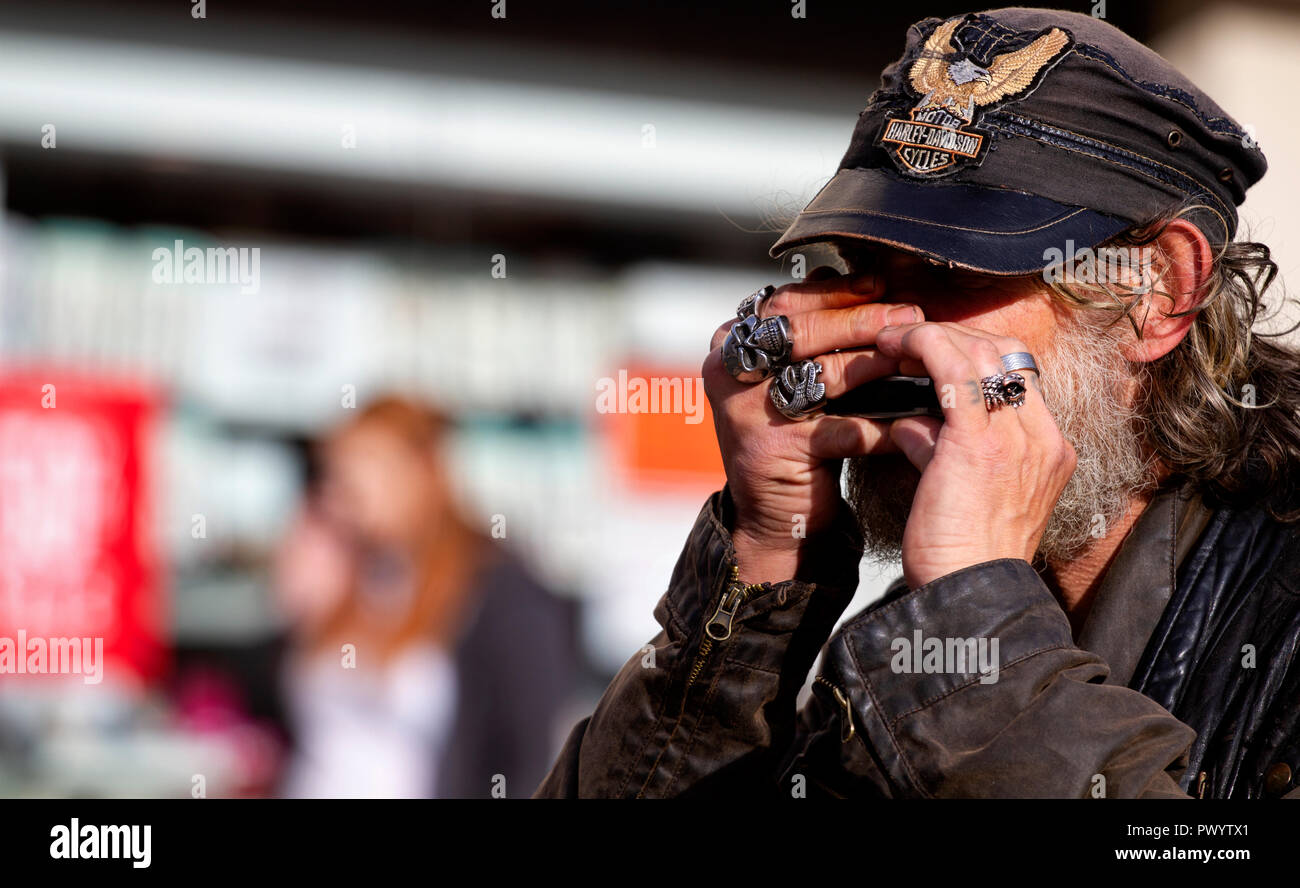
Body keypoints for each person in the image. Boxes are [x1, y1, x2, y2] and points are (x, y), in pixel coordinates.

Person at [537, 8, 1300, 798]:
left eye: (957, 272)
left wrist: (980, 631)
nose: (891, 330)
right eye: (860, 267)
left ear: (1157, 293)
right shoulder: (911, 641)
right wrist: (765, 558)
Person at [276, 396, 577, 798]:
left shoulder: (494, 585)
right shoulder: (346, 572)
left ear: (422, 471)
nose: (351, 489)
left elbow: (525, 745)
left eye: (371, 466)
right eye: (341, 472)